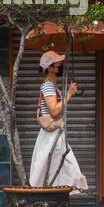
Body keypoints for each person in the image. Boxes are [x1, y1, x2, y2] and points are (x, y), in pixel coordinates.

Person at [28, 50, 89, 195]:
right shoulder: (48, 85)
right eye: (57, 62)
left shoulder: (51, 86)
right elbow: (54, 112)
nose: (60, 64)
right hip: (51, 137)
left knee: (61, 171)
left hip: (55, 135)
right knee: (58, 171)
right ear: (50, 67)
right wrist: (68, 94)